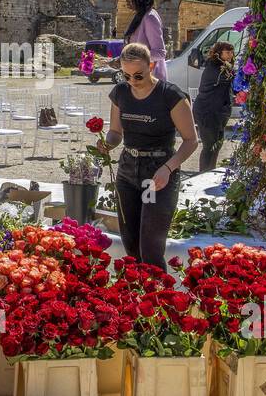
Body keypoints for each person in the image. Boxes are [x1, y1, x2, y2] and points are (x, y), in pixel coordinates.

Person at [98, 42, 198, 268]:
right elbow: (115, 132)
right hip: (127, 172)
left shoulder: (170, 95)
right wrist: (106, 143)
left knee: (150, 248)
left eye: (138, 76)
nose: (132, 81)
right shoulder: (121, 93)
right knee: (131, 246)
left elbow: (191, 140)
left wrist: (168, 168)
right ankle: (135, 298)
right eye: (126, 76)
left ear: (151, 66)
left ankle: (157, 299)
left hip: (157, 176)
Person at [192, 41, 235, 171]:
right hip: (207, 112)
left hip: (218, 112)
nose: (231, 55)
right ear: (218, 53)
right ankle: (203, 174)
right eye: (227, 52)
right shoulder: (215, 68)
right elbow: (232, 79)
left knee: (217, 144)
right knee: (209, 146)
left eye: (232, 52)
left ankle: (210, 171)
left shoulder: (224, 66)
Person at [121, 0, 168, 81]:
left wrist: (131, 59)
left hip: (151, 83)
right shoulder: (139, 16)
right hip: (139, 81)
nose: (126, 2)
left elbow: (160, 53)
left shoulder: (150, 17)